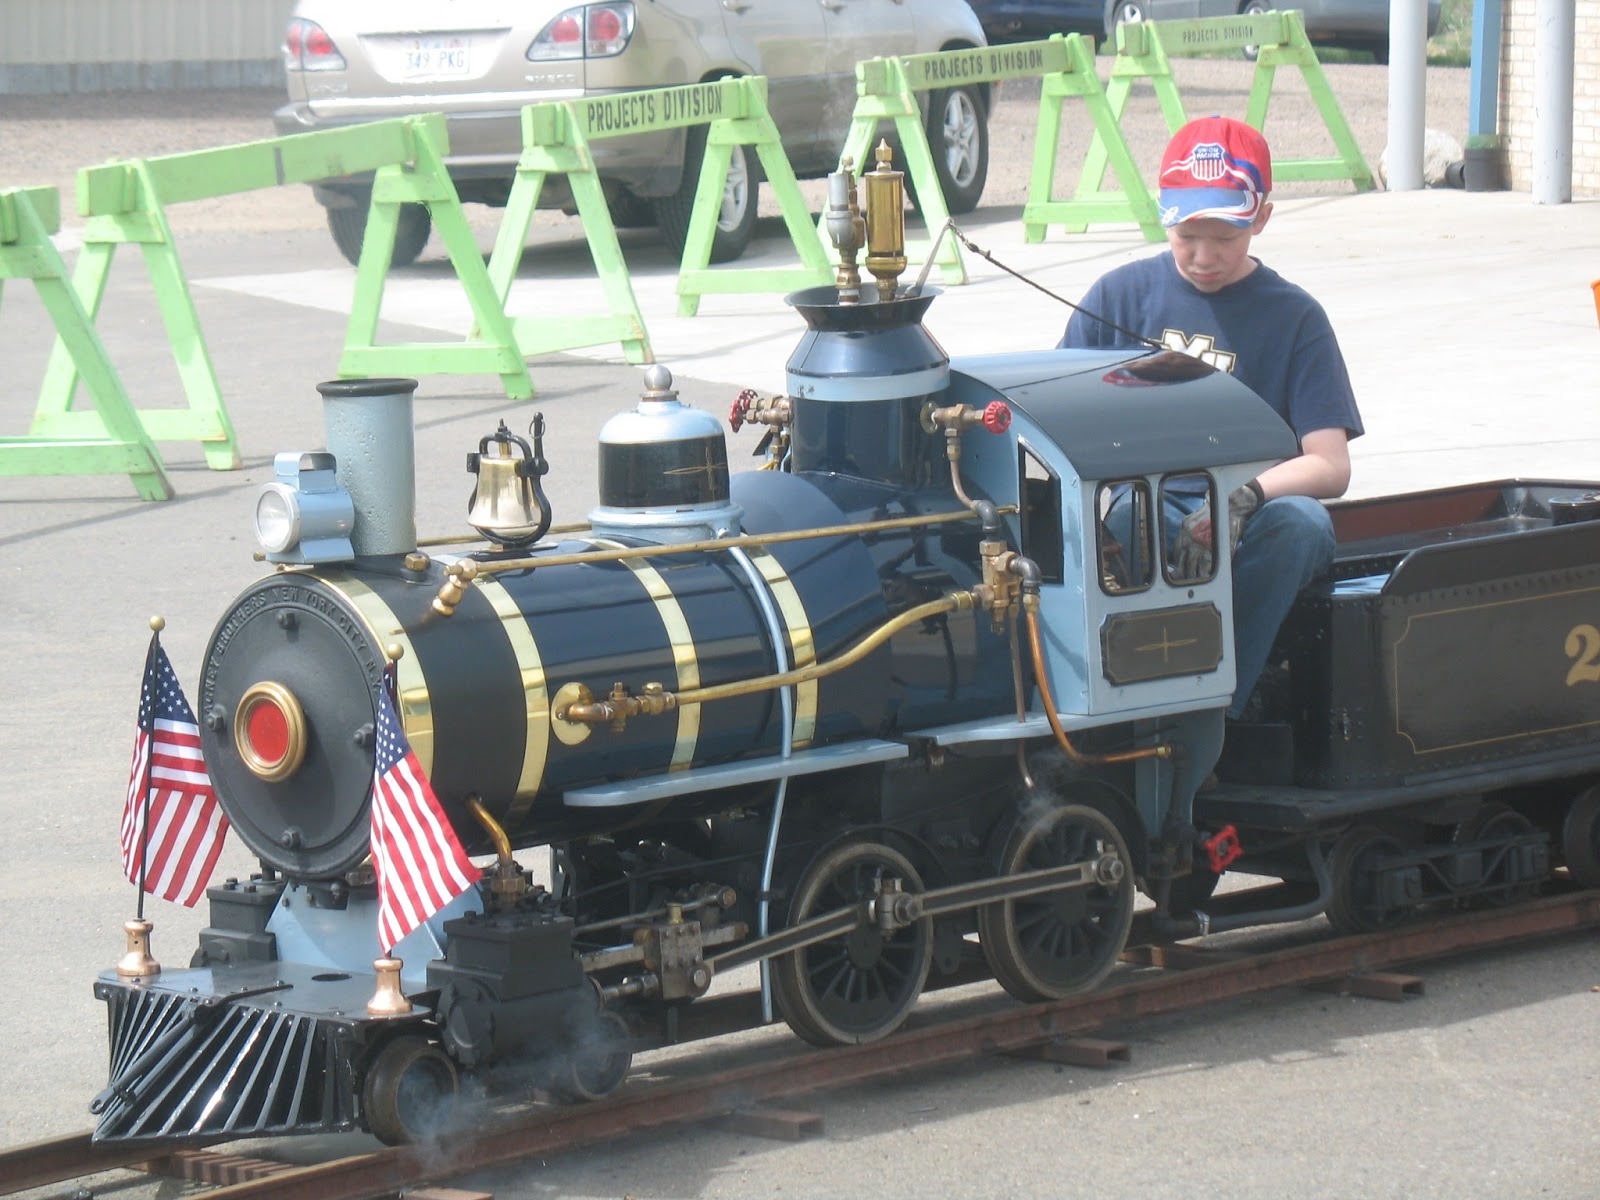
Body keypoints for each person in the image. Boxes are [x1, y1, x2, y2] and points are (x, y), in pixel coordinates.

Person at [1058, 115, 1364, 721]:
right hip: (1141, 502)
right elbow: (1059, 431)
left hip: (1257, 508)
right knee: (1122, 517)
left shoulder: (1296, 317)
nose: (1203, 257)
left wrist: (1241, 499)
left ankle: (1216, 711)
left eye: (1224, 237)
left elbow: (1329, 465)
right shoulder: (1116, 297)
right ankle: (1115, 703)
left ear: (1262, 219)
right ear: (1164, 217)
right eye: (1187, 236)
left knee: (1301, 526)